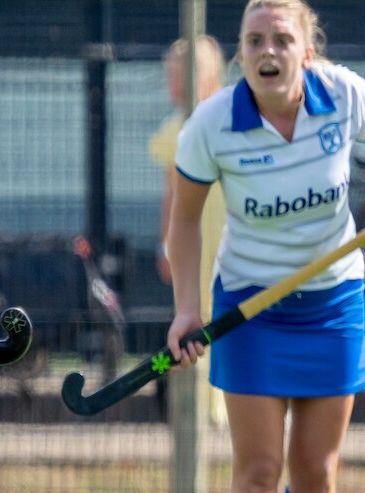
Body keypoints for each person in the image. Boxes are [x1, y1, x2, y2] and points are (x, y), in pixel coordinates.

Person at [164, 1, 365, 493]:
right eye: (254, 41)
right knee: (256, 469)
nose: (267, 52)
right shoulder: (212, 123)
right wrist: (187, 311)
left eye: (281, 39)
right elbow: (186, 219)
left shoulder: (341, 93)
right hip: (250, 307)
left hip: (331, 302)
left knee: (315, 475)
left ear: (307, 50)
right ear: (241, 54)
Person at [149, 35, 228, 425]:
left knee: (226, 314)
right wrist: (166, 243)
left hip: (226, 238)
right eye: (173, 77)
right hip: (194, 240)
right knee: (196, 313)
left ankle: (226, 408)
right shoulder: (173, 130)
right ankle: (199, 414)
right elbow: (171, 194)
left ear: (212, 80)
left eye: (187, 77)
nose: (177, 86)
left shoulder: (229, 123)